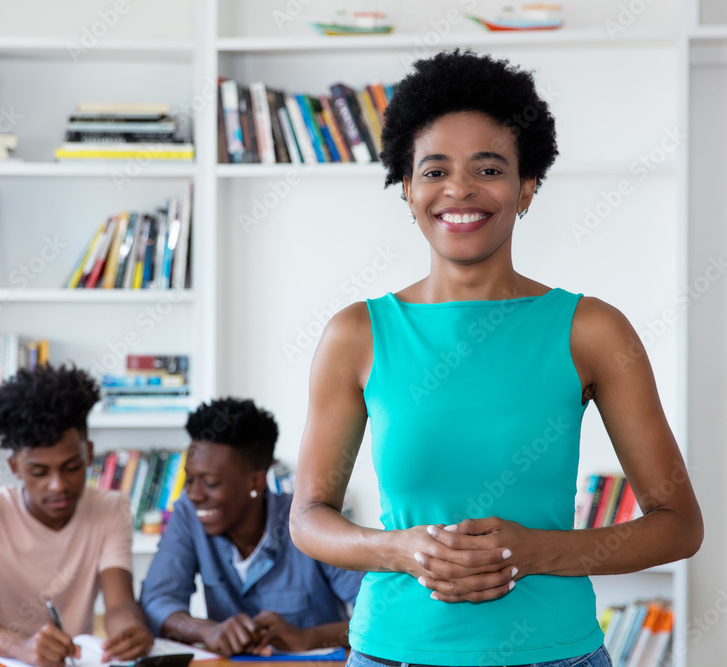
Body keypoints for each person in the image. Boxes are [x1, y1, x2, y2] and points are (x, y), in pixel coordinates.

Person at [289, 49, 704, 667]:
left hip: (555, 654)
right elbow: (308, 518)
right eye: (434, 171)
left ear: (527, 186)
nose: (459, 189)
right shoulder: (357, 334)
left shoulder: (590, 330)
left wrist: (535, 551)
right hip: (393, 653)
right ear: (405, 188)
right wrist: (401, 549)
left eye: (488, 168)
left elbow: (679, 524)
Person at [0, 362, 153, 667]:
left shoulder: (111, 509)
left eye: (72, 467)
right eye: (39, 471)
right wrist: (21, 647)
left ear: (89, 454)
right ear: (15, 466)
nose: (59, 486)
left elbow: (120, 604)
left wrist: (131, 633)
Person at [139, 397, 364, 657]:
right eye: (189, 480)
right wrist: (207, 631)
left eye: (210, 483)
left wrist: (309, 638)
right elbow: (156, 600)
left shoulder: (311, 520)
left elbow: (378, 615)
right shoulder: (189, 515)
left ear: (256, 482)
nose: (194, 494)